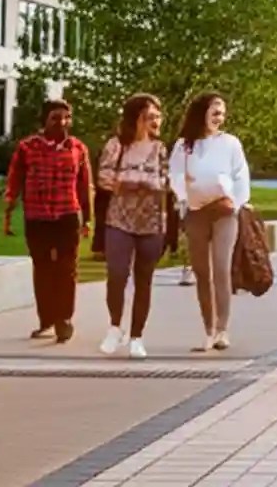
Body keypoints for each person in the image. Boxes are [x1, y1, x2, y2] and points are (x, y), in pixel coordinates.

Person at [3, 99, 92, 343]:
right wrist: (9, 209)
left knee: (67, 269)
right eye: (55, 117)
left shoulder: (77, 148)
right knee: (43, 269)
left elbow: (85, 186)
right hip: (37, 216)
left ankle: (64, 319)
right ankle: (46, 320)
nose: (62, 122)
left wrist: (88, 219)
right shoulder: (27, 148)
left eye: (66, 117)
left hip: (67, 216)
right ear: (44, 120)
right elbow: (14, 179)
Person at [169, 92, 252, 353]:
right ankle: (208, 328)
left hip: (224, 211)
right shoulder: (184, 145)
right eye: (215, 112)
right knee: (201, 271)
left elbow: (241, 176)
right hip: (196, 211)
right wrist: (186, 195)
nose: (220, 118)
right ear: (202, 113)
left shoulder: (230, 143)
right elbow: (175, 175)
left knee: (220, 268)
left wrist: (235, 202)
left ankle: (222, 329)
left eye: (222, 113)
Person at [97, 94, 169, 359]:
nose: (155, 121)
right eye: (149, 116)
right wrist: (127, 181)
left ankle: (137, 336)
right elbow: (104, 177)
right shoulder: (117, 146)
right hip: (120, 219)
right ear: (135, 118)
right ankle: (115, 326)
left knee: (144, 279)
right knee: (117, 274)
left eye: (157, 116)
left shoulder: (160, 149)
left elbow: (165, 180)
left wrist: (151, 184)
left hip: (150, 221)